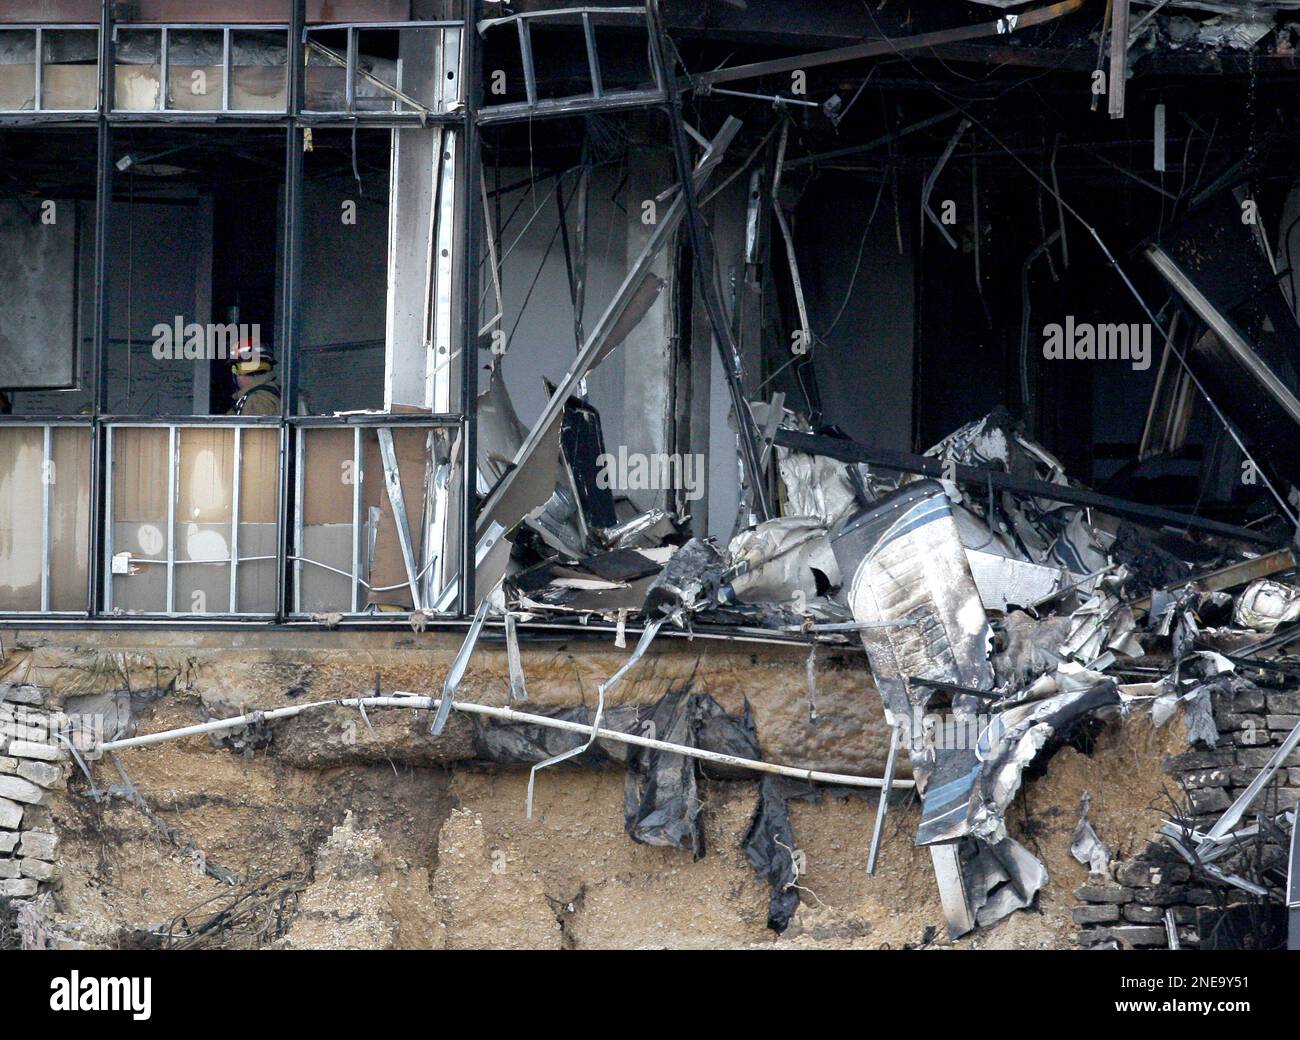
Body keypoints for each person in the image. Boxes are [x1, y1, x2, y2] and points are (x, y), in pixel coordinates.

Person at [228, 340, 282, 416]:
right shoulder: (269, 392)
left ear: (244, 370)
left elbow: (257, 428)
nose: (234, 374)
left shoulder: (256, 400)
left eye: (234, 369)